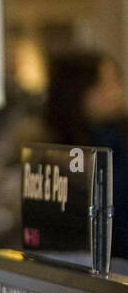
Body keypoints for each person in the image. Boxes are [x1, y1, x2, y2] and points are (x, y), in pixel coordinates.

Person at [45, 51, 128, 259]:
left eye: (116, 83)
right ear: (78, 92)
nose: (115, 93)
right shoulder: (52, 151)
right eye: (104, 85)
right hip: (80, 269)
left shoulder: (120, 139)